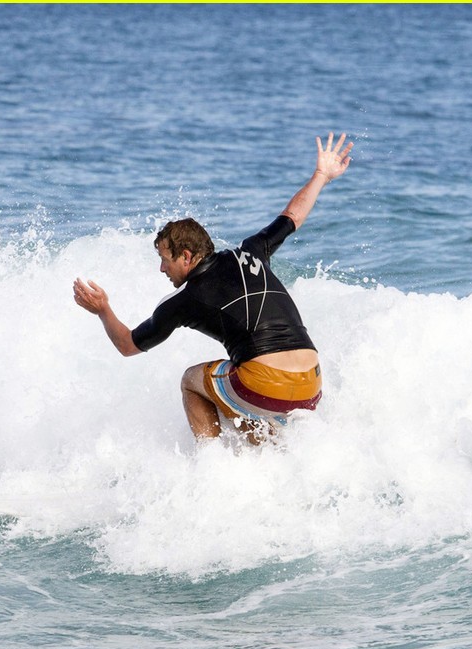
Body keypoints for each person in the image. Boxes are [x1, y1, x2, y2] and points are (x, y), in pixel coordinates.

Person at [73, 132, 353, 444]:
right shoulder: (252, 250)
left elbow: (128, 345)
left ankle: (210, 466)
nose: (162, 268)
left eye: (165, 260)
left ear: (187, 256)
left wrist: (103, 310)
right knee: (234, 387)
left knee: (192, 379)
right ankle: (263, 460)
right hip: (311, 386)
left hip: (264, 384)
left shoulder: (184, 300)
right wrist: (321, 175)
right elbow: (293, 216)